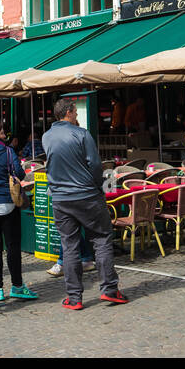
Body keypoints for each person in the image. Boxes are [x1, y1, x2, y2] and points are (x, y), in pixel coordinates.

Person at [43, 96, 126, 310]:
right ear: (69, 112)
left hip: (61, 198)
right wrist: (99, 185)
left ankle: (74, 297)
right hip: (86, 195)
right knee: (101, 239)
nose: (77, 115)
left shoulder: (47, 136)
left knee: (69, 247)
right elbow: (96, 165)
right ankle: (109, 289)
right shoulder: (81, 134)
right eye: (76, 112)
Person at [0, 120, 37, 302]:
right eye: (3, 132)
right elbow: (19, 173)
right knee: (12, 246)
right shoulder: (7, 150)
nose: (5, 135)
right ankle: (17, 286)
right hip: (8, 201)